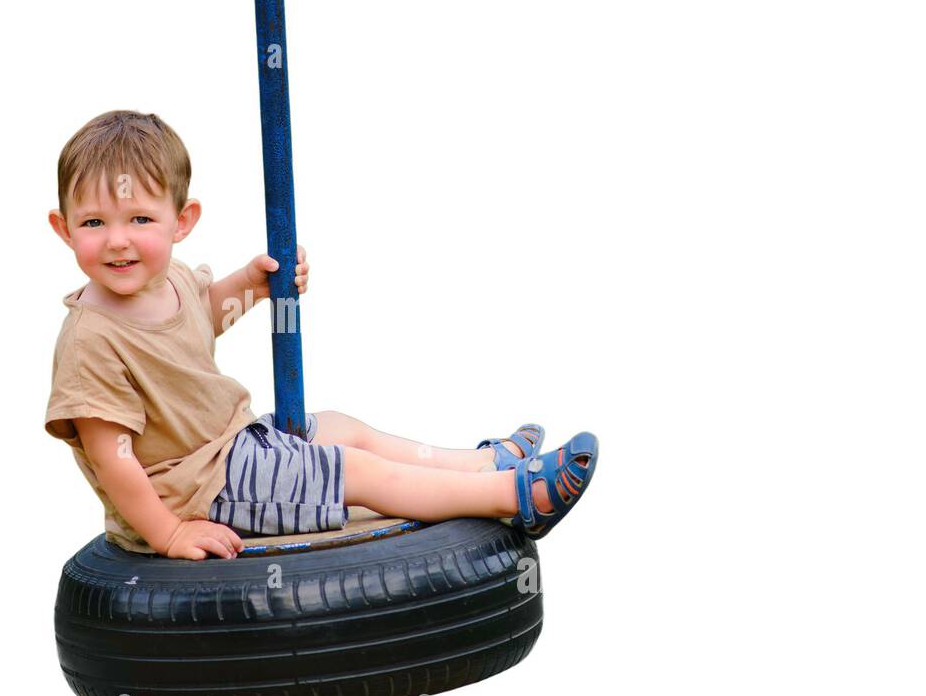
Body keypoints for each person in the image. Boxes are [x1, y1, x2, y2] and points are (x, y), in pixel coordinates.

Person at [44, 111, 597, 560]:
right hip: (193, 492)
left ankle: (484, 463)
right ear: (63, 228)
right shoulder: (90, 341)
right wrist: (168, 534)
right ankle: (515, 496)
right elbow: (113, 457)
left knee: (342, 429)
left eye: (140, 220)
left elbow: (198, 324)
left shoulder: (173, 282)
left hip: (231, 445)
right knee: (353, 471)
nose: (118, 241)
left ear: (182, 221)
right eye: (94, 223)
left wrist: (254, 286)